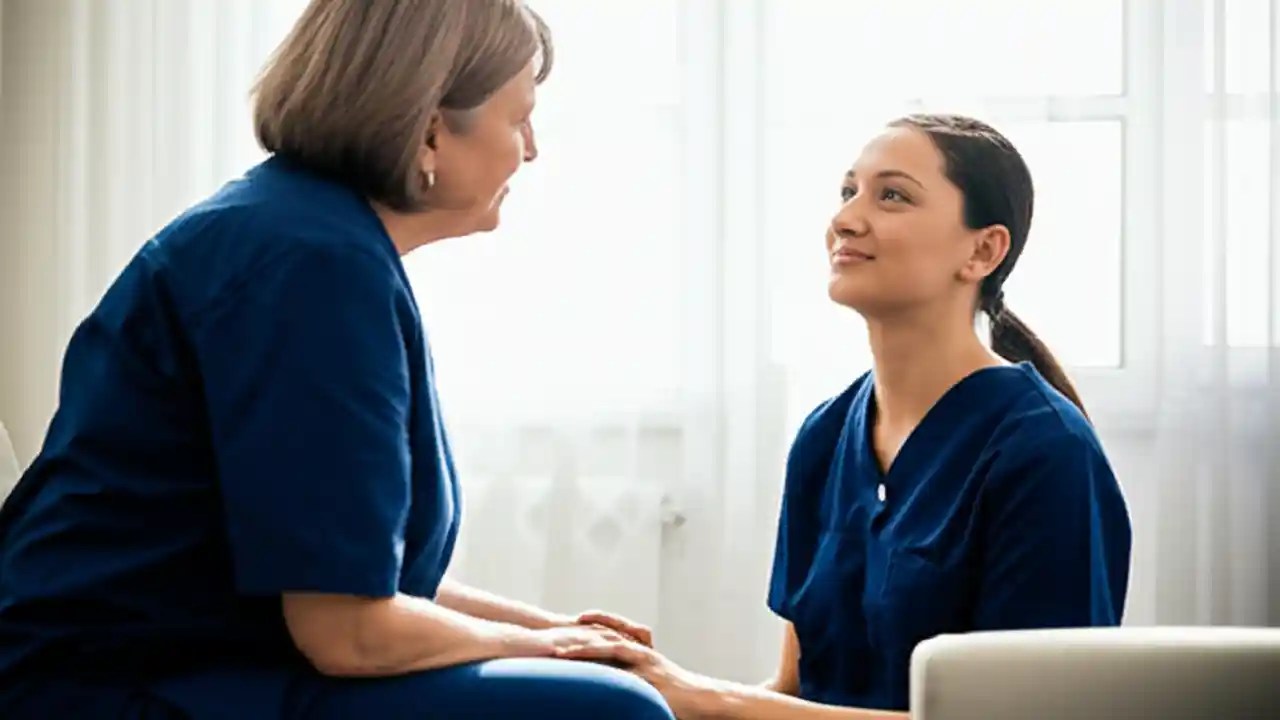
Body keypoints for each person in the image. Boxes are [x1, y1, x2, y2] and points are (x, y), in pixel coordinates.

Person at [0, 1, 674, 718]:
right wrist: (552, 650)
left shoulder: (304, 237)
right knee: (613, 709)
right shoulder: (311, 266)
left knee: (609, 685)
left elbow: (344, 575)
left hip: (172, 663)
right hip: (103, 688)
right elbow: (348, 631)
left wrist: (555, 630)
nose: (531, 149)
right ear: (430, 128)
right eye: (519, 118)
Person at [558, 114, 1134, 719]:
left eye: (892, 196)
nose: (845, 219)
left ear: (982, 250)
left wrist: (704, 697)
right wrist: (655, 691)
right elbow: (793, 692)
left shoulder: (1045, 453)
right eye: (847, 192)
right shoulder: (825, 437)